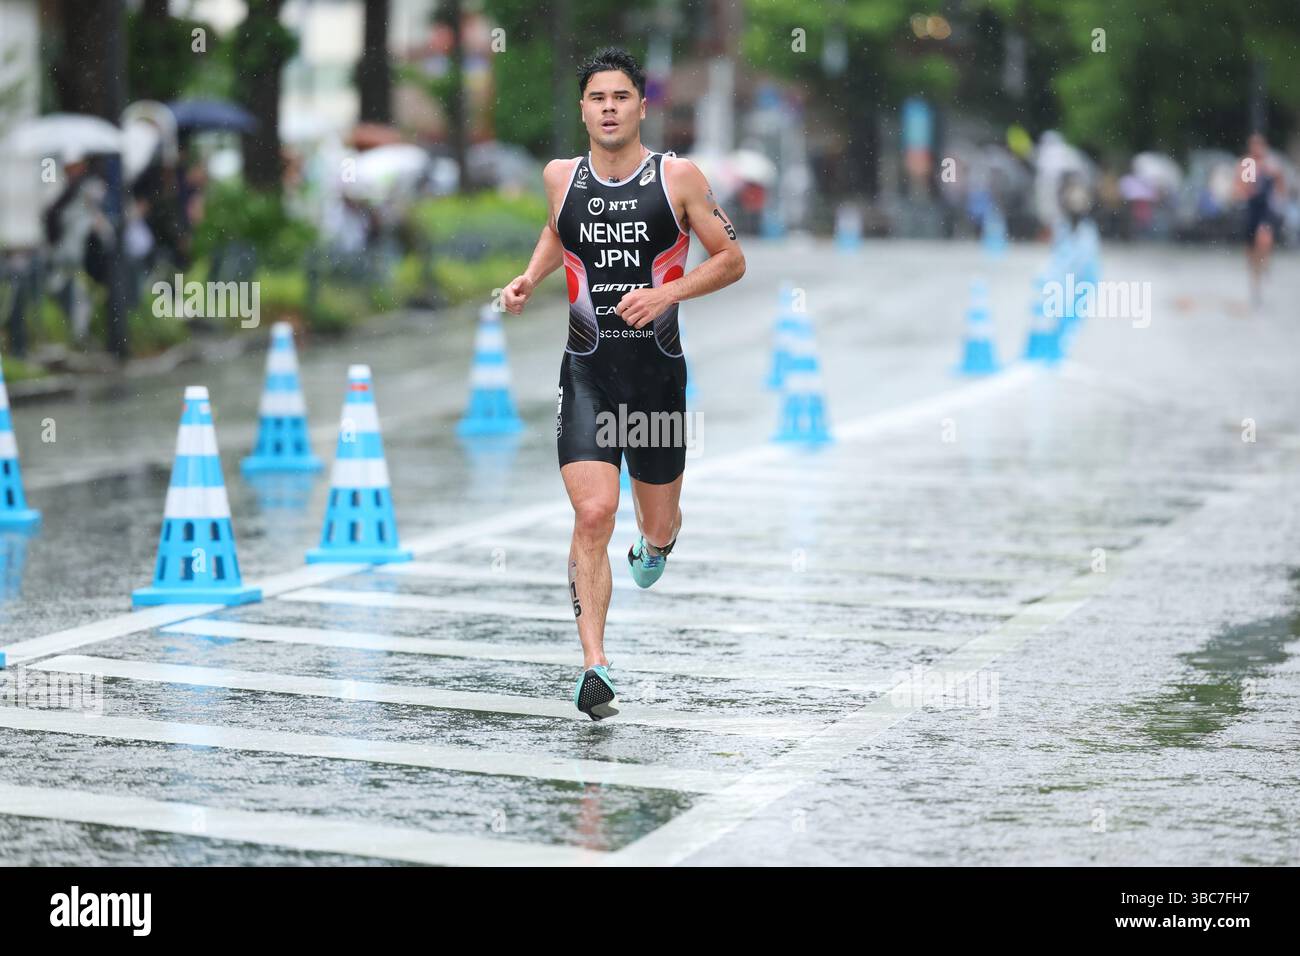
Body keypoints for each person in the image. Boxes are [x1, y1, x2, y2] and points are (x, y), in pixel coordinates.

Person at [501, 46, 746, 720]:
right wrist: (530, 276)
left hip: (656, 376)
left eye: (621, 98)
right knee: (591, 514)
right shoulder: (559, 176)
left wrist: (667, 295)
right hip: (588, 368)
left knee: (655, 522)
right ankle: (594, 666)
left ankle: (657, 545)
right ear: (582, 109)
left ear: (641, 106)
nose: (608, 108)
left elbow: (732, 259)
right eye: (596, 98)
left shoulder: (679, 178)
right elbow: (560, 230)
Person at [1236, 132, 1285, 307]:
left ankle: (1266, 264)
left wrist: (1280, 197)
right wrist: (1246, 188)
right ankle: (1255, 285)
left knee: (1264, 238)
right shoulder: (1246, 164)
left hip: (1266, 210)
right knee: (1250, 252)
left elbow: (1281, 184)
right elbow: (1239, 188)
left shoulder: (1271, 163)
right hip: (1251, 209)